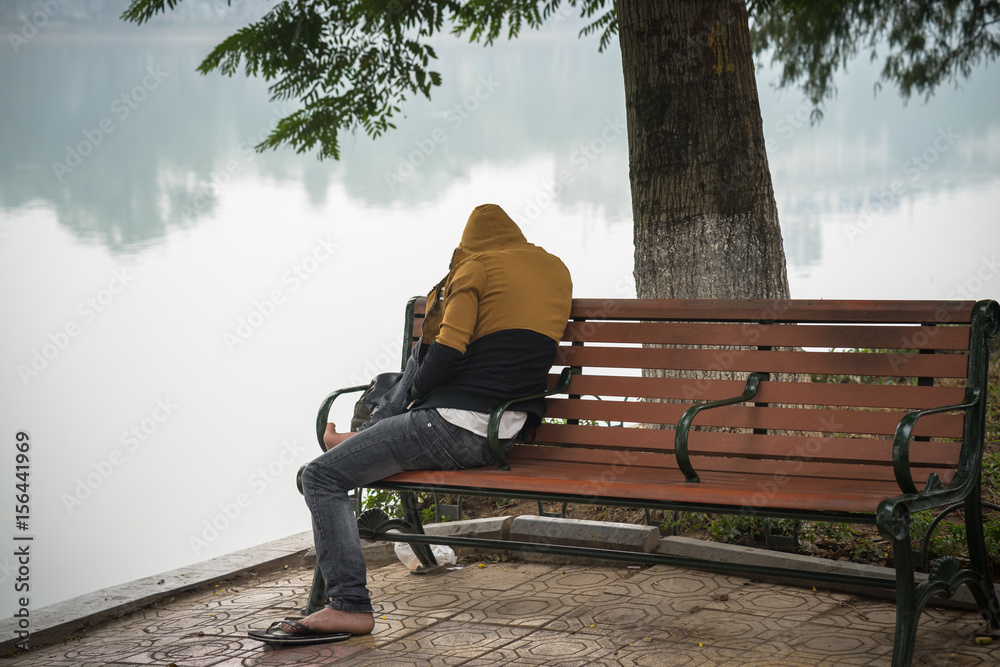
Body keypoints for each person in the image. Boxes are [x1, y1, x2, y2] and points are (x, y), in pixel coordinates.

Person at [263, 204, 572, 643]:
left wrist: (410, 397)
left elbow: (447, 352)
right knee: (349, 455)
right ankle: (364, 437)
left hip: (454, 427)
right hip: (505, 430)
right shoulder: (554, 269)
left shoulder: (476, 268)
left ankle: (349, 606)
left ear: (468, 244)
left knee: (321, 477)